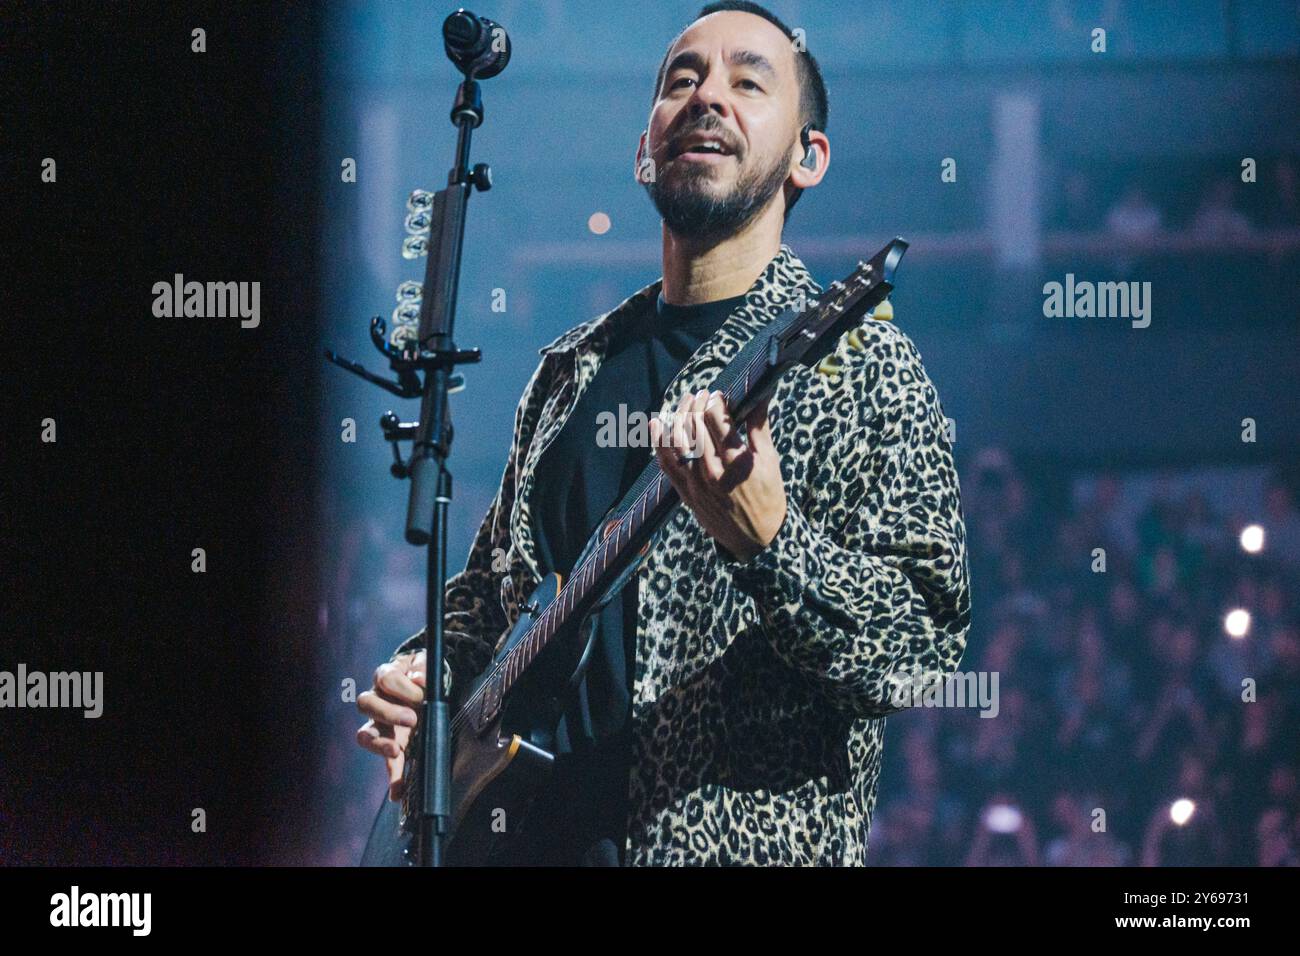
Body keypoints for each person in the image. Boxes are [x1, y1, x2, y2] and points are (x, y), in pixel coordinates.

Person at [355, 0, 970, 866]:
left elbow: (922, 647)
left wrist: (773, 546)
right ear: (644, 147)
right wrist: (428, 679)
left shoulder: (860, 364)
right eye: (682, 79)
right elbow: (493, 599)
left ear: (810, 157)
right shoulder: (570, 369)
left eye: (748, 81)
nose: (706, 97)